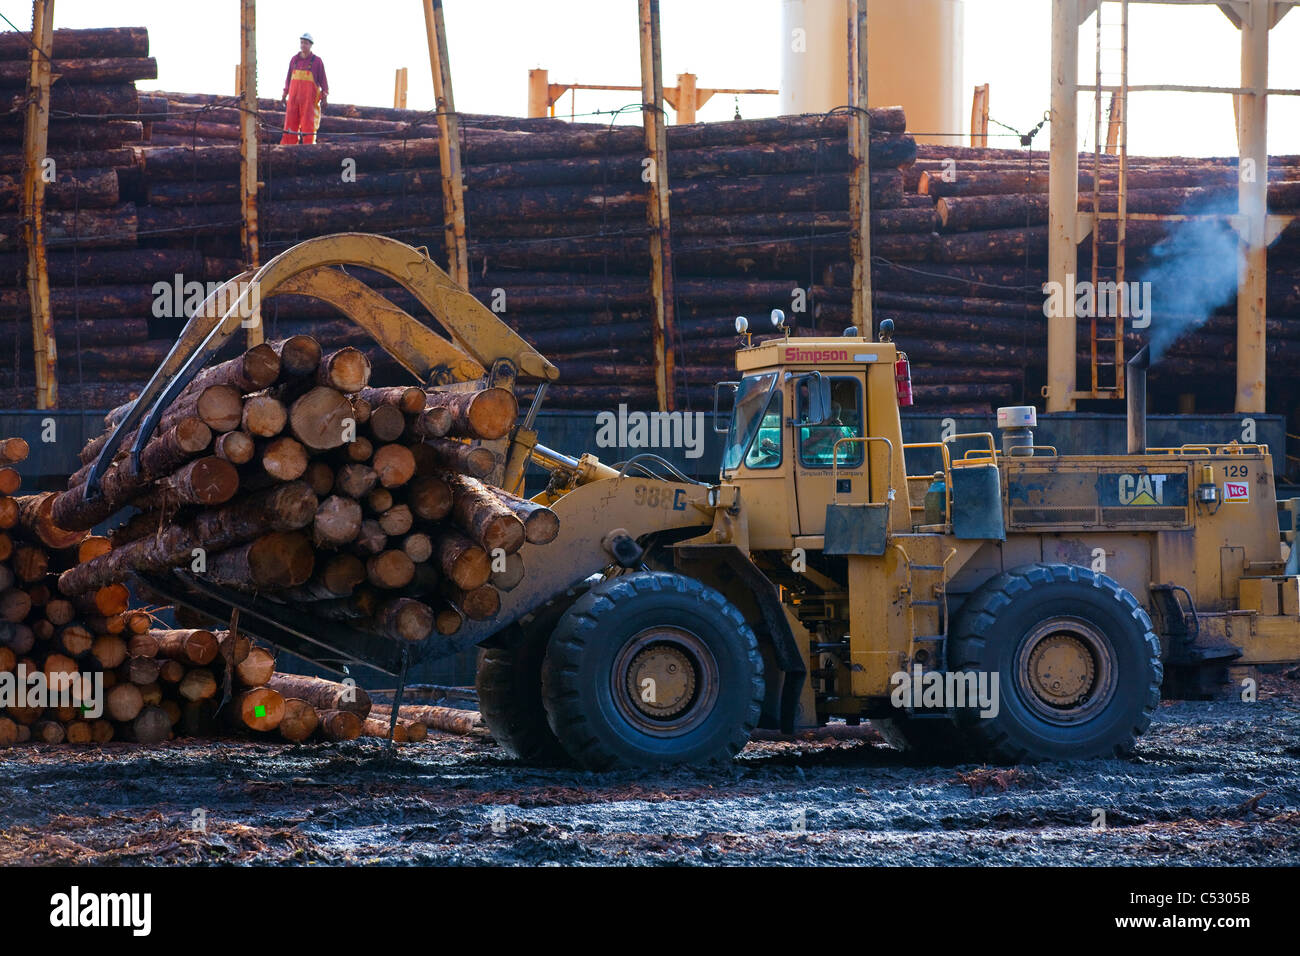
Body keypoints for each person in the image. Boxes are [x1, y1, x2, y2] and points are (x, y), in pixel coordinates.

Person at [280, 32, 328, 145]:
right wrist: (284, 94)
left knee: (308, 126)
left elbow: (324, 82)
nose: (303, 45)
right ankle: (287, 150)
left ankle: (309, 150)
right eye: (301, 42)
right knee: (290, 126)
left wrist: (325, 98)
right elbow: (288, 79)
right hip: (293, 100)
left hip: (308, 102)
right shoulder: (294, 60)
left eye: (306, 43)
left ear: (311, 45)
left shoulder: (317, 61)